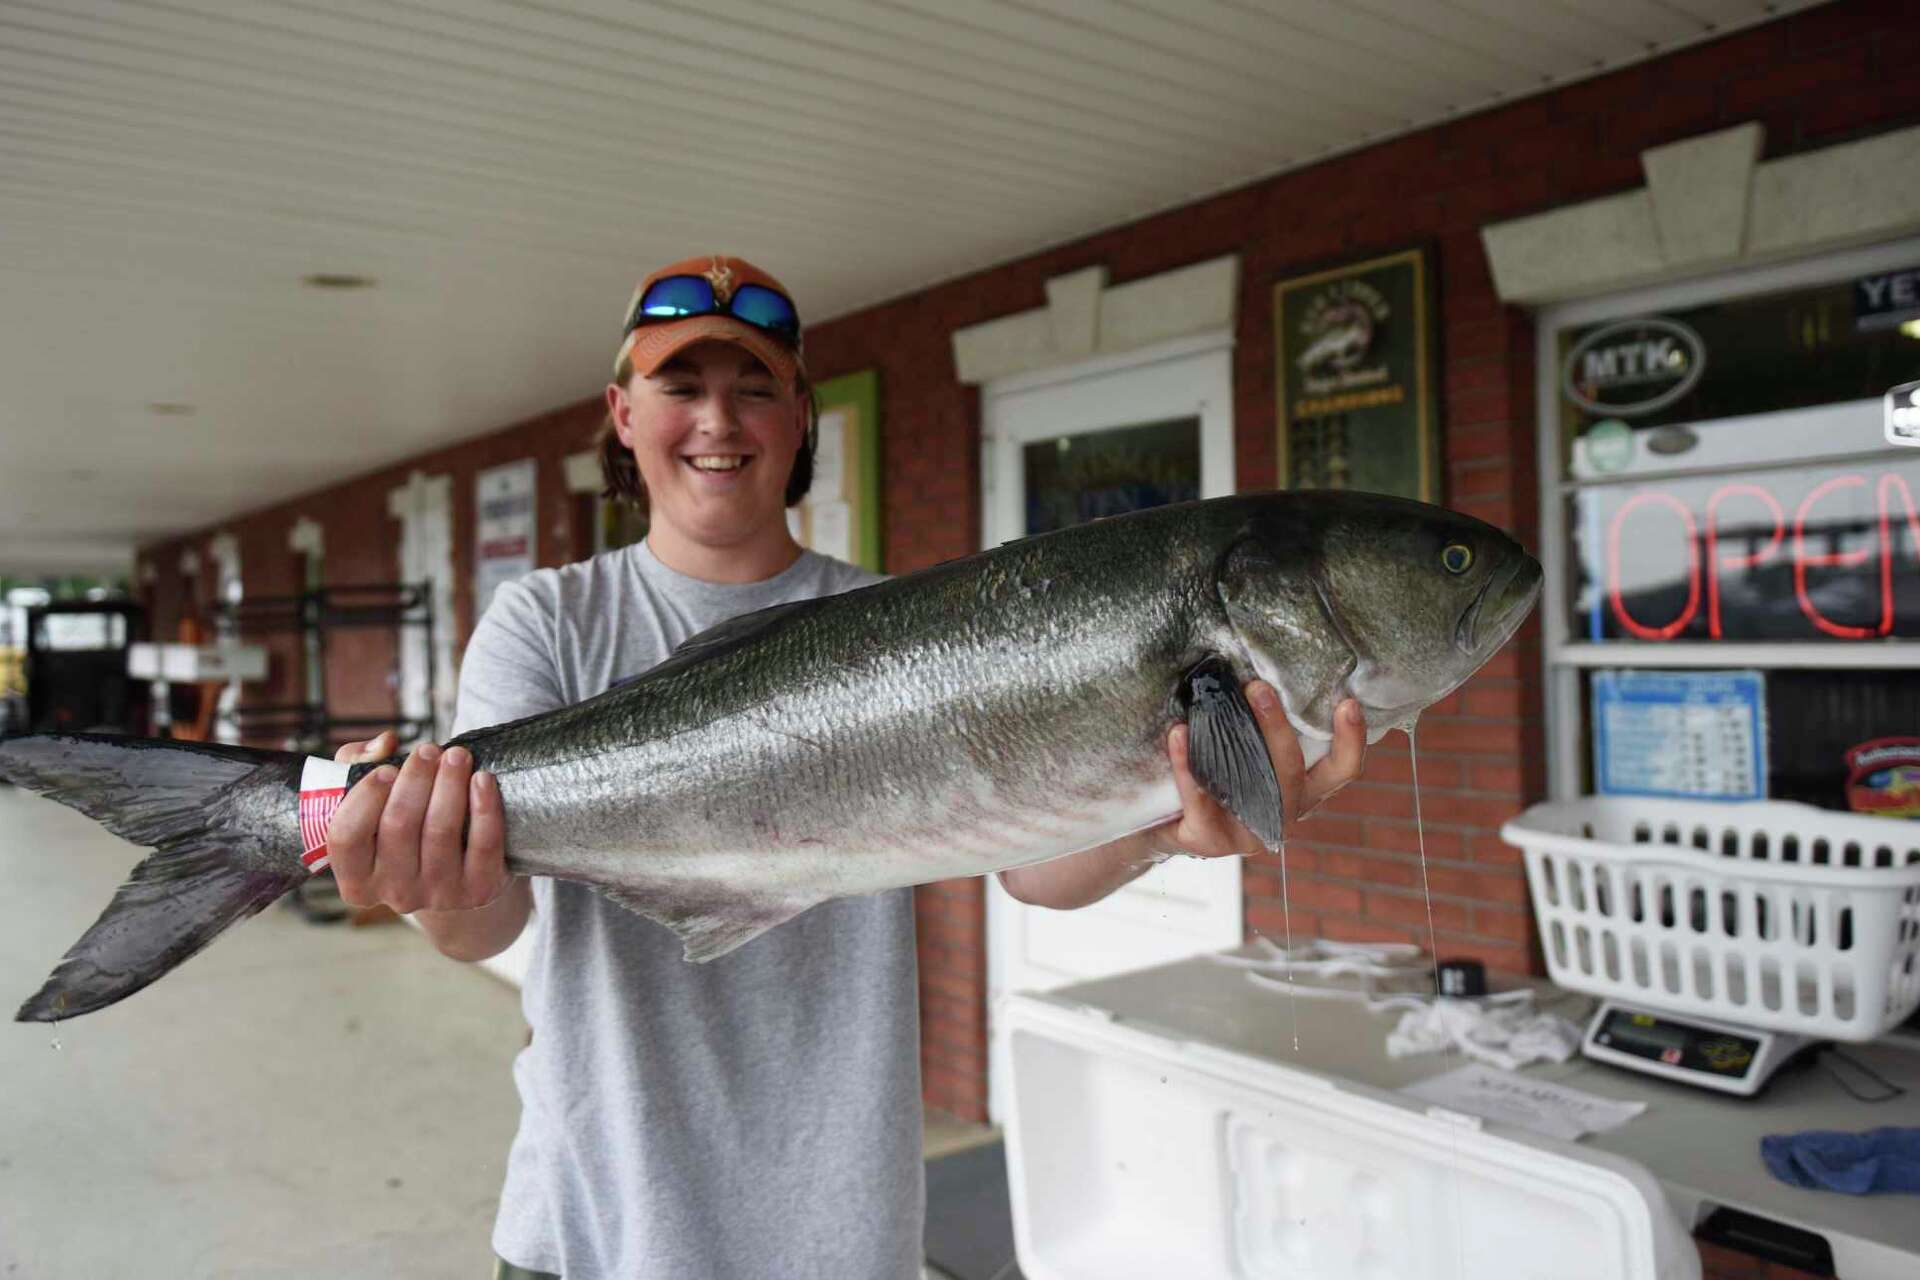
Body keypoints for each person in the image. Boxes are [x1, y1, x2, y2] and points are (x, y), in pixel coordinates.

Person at [322, 254, 1369, 1279]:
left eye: (754, 389)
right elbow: (484, 924)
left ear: (800, 416)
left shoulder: (904, 623)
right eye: (681, 388)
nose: (719, 421)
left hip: (840, 1222)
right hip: (599, 1220)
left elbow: (1033, 866)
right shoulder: (547, 619)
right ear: (623, 414)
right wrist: (413, 868)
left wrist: (1157, 830)